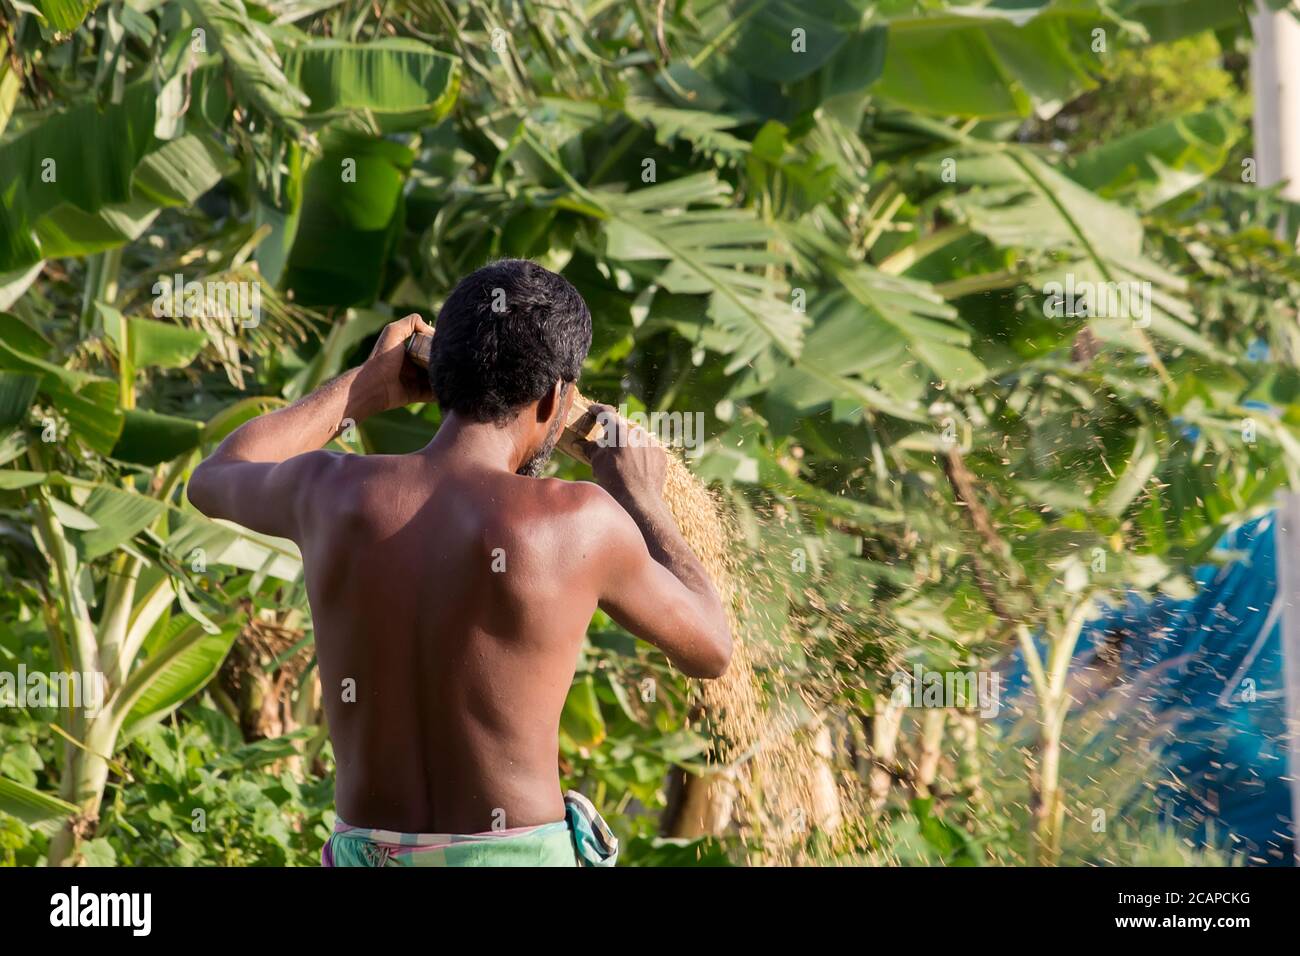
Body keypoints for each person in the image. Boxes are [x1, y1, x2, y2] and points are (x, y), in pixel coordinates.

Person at [187, 258, 732, 866]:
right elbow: (710, 648)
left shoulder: (331, 491)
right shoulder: (579, 520)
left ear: (440, 370)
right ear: (555, 398)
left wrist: (363, 390)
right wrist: (644, 499)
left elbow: (214, 478)